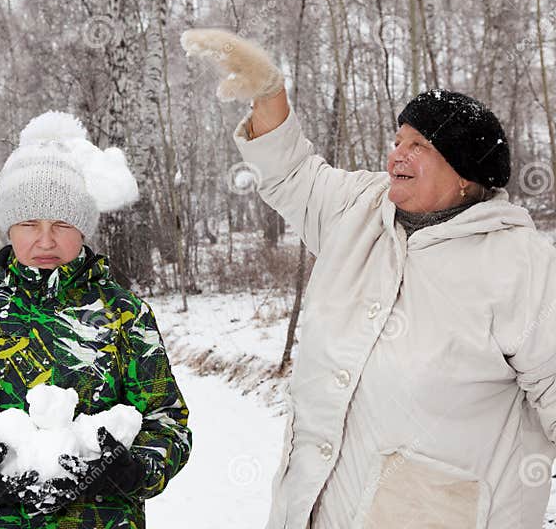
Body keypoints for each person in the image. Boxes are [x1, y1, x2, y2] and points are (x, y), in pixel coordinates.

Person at [182, 28, 556, 529]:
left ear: (466, 173)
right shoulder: (359, 207)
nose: (396, 154)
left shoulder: (521, 265)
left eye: (418, 145)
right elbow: (291, 174)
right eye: (397, 140)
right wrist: (270, 93)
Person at [0, 111, 192, 529]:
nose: (45, 241)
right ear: (9, 228)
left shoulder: (125, 315)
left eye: (62, 224)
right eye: (29, 223)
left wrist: (135, 470)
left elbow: (166, 421)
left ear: (83, 229)